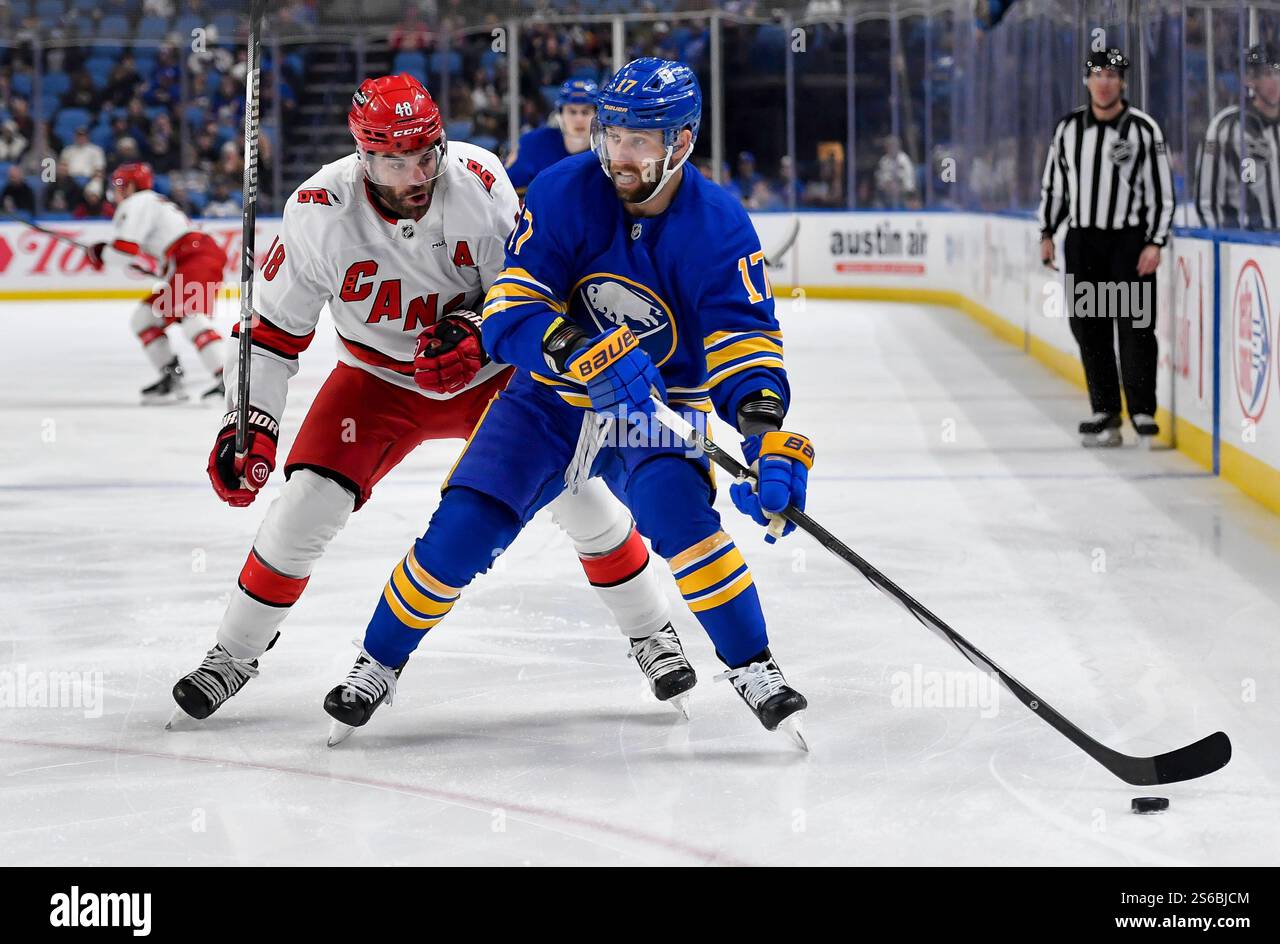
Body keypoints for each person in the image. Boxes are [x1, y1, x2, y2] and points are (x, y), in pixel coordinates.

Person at [323, 58, 814, 748]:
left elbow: (745, 342)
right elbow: (510, 310)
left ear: (683, 141)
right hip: (549, 398)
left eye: (640, 140)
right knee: (462, 528)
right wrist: (577, 354)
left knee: (687, 523)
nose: (619, 154)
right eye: (613, 135)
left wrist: (766, 435)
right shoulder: (560, 190)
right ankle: (378, 660)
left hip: (656, 403)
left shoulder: (720, 226)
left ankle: (754, 665)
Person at [171, 74, 688, 727]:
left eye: (426, 152)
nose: (416, 172)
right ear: (363, 156)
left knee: (579, 491)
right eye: (394, 159)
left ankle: (652, 633)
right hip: (376, 382)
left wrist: (476, 335)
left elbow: (527, 295)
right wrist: (251, 423)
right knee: (305, 506)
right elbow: (271, 336)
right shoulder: (318, 211)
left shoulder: (479, 180)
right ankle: (233, 653)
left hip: (492, 378)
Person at [1037, 48, 1174, 448]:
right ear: (1086, 80)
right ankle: (1105, 410)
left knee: (1135, 328)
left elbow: (1162, 195)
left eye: (1112, 74)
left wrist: (1155, 241)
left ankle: (1143, 411)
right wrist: (1046, 233)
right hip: (1083, 242)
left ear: (1123, 82)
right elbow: (1054, 187)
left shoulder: (1144, 130)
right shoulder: (1067, 130)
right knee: (1089, 328)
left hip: (1128, 244)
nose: (1104, 81)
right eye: (1097, 73)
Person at [87, 162, 228, 402]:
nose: (117, 192)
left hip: (194, 257)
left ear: (131, 186)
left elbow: (125, 249)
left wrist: (101, 254)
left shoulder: (137, 202)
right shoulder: (151, 202)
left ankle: (228, 380)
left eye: (120, 186)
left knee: (191, 315)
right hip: (192, 257)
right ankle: (171, 378)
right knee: (144, 318)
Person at [1195, 44, 1280, 232]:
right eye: (1267, 74)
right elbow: (1207, 201)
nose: (1274, 81)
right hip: (1243, 246)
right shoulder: (1226, 127)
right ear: (1250, 80)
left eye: (1278, 73)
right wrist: (1220, 244)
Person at [504, 77, 597, 196]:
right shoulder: (533, 143)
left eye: (585, 112)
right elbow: (506, 187)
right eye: (572, 112)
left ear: (596, 115)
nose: (579, 119)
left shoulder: (606, 151)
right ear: (560, 115)